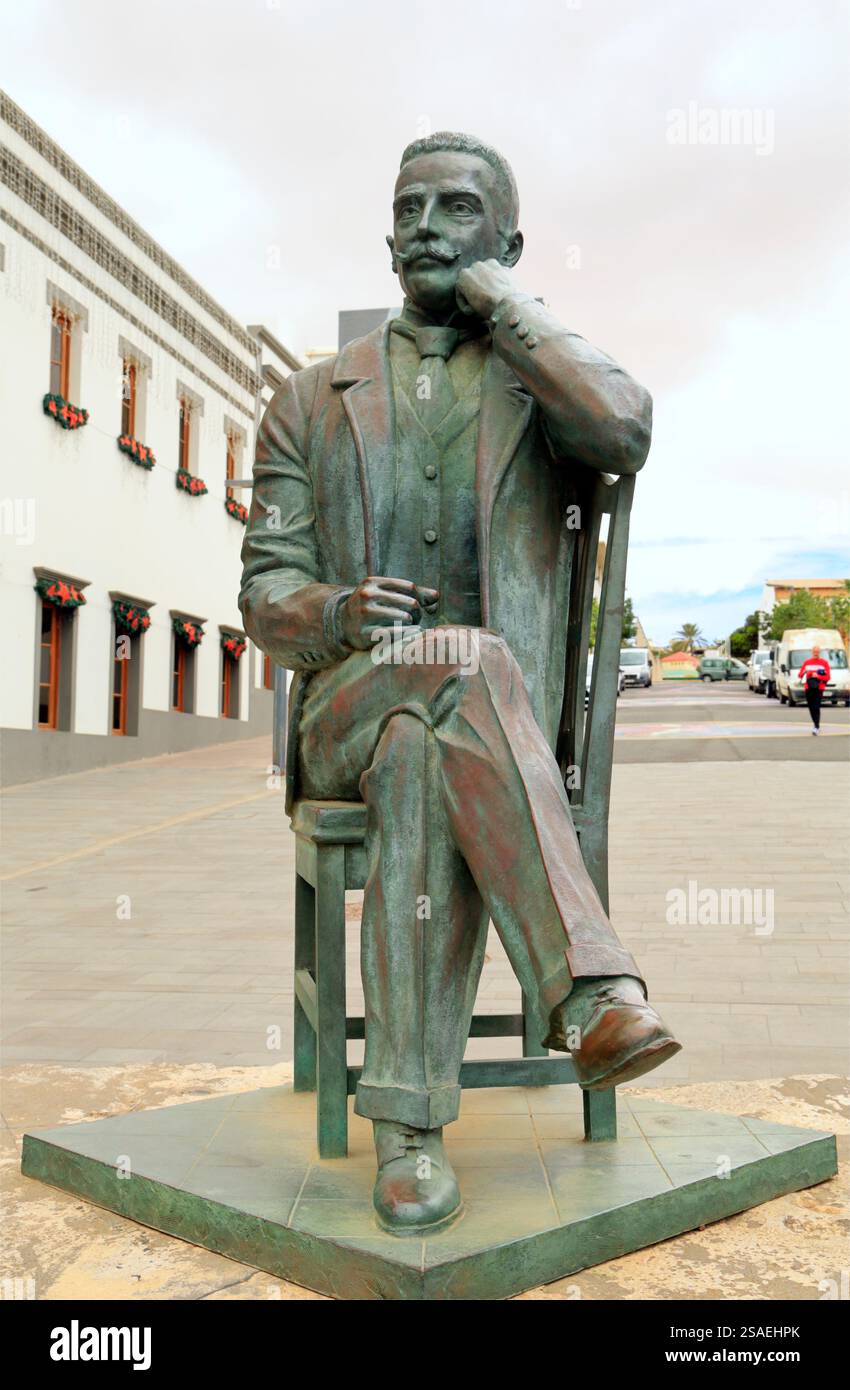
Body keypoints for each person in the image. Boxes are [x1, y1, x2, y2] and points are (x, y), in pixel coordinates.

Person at [240, 131, 680, 1235]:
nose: (427, 224)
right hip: (344, 705)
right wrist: (333, 612)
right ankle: (588, 997)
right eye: (410, 207)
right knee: (452, 671)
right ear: (387, 234)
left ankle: (408, 1127)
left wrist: (503, 307)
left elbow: (623, 427)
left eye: (456, 209)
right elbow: (263, 591)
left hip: (479, 741)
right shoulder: (307, 397)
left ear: (507, 242)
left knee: (424, 753)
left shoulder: (538, 387)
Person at [798, 644, 831, 734]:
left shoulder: (824, 663)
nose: (816, 653)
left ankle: (816, 726)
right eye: (814, 652)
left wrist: (818, 676)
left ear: (819, 652)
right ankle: (815, 724)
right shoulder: (807, 662)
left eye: (817, 652)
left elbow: (828, 677)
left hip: (819, 688)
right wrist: (804, 672)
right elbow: (800, 675)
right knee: (811, 707)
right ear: (812, 652)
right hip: (808, 687)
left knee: (816, 706)